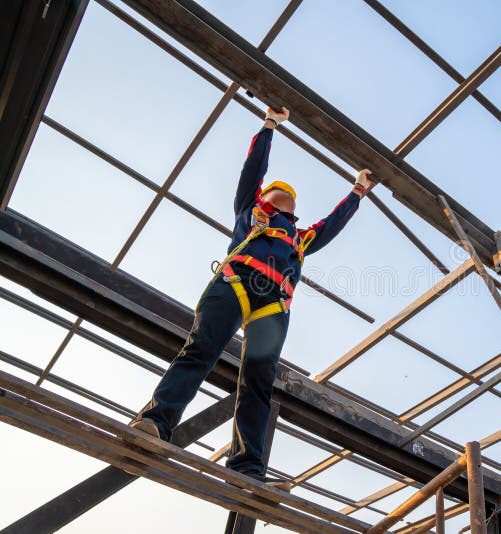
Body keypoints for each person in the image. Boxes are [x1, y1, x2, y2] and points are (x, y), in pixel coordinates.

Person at [129, 106, 374, 484]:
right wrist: (270, 124)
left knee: (259, 380)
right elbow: (253, 170)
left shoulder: (300, 237)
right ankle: (155, 422)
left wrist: (359, 189)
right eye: (278, 192)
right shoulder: (250, 210)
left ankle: (247, 467)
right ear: (267, 195)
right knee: (200, 351)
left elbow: (334, 223)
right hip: (236, 283)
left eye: (287, 195)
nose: (283, 196)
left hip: (274, 304)